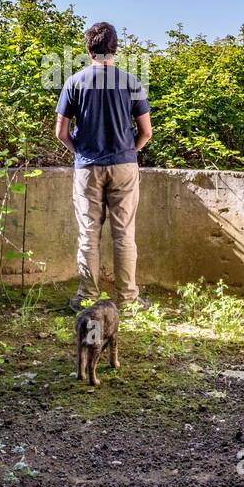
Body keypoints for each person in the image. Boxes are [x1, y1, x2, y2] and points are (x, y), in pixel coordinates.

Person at [54, 22, 152, 313]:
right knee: (124, 234)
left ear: (88, 49)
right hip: (124, 166)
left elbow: (61, 132)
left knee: (88, 233)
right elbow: (146, 132)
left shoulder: (74, 82)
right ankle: (128, 299)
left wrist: (80, 151)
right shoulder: (130, 81)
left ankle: (87, 296)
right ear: (115, 48)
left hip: (88, 167)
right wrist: (128, 152)